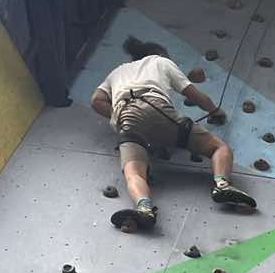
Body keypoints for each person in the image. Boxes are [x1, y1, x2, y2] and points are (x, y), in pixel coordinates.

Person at [90, 37, 255, 232]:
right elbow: (193, 94)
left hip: (127, 119)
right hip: (154, 106)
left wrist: (118, 115)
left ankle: (144, 207)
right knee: (219, 147)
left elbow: (96, 100)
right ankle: (222, 184)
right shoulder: (161, 62)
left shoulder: (117, 71)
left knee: (134, 173)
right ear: (159, 54)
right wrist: (215, 111)